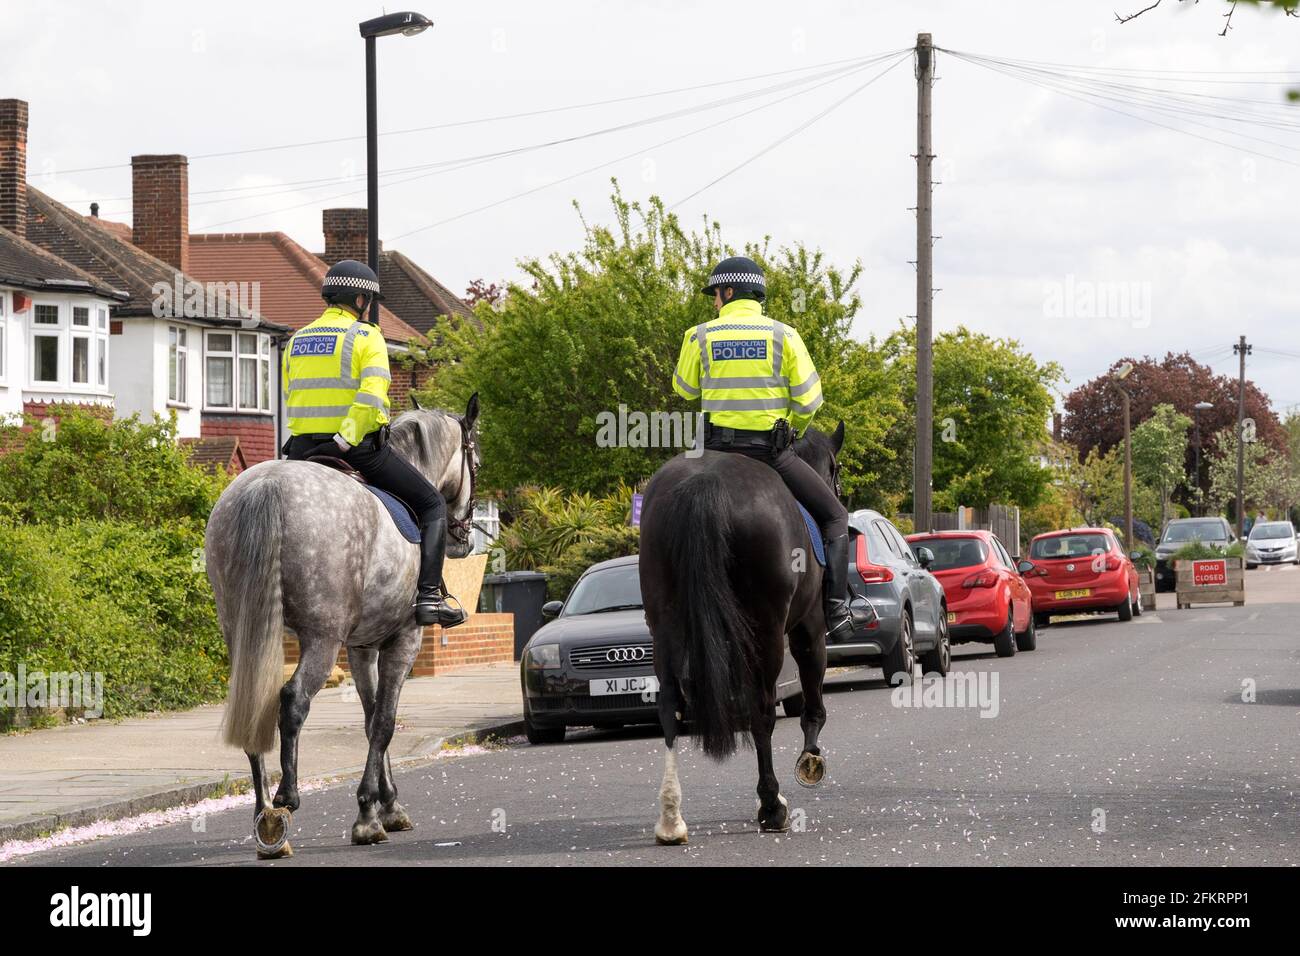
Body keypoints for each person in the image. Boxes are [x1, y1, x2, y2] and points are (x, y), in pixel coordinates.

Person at [672, 255, 870, 638]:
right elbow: (811, 400)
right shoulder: (784, 336)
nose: (714, 302)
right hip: (771, 453)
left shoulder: (699, 335)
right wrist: (789, 429)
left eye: (715, 294)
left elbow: (684, 388)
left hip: (712, 454)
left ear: (730, 291)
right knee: (835, 517)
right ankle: (836, 609)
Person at [281, 259, 466, 629]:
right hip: (356, 450)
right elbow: (371, 398)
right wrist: (343, 439)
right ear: (361, 299)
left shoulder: (296, 339)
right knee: (431, 504)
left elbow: (292, 393)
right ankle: (429, 597)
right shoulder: (365, 337)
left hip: (300, 451)